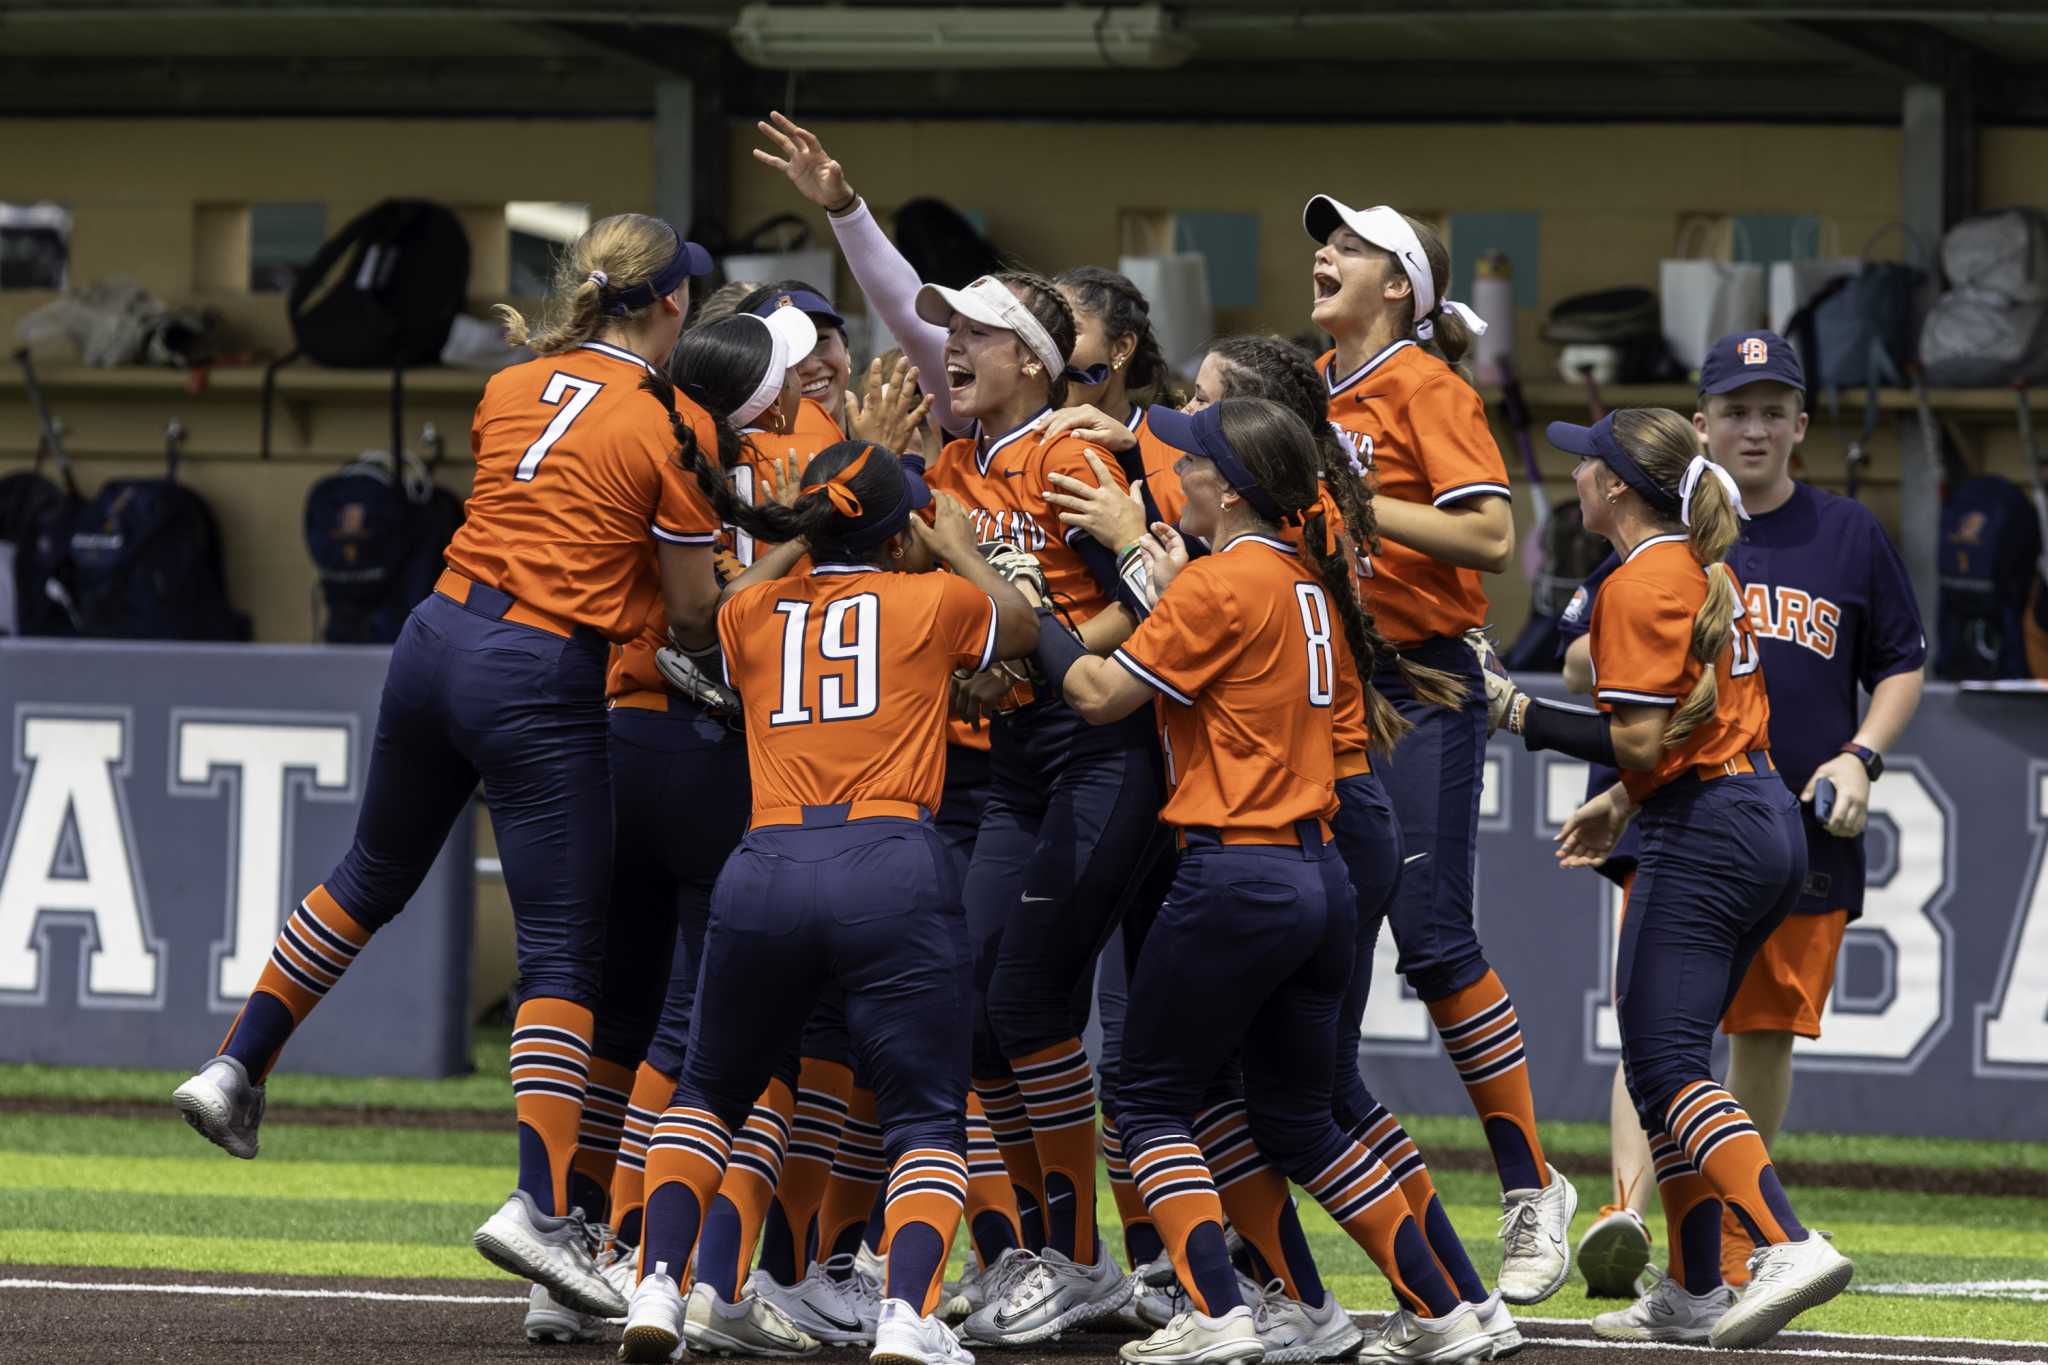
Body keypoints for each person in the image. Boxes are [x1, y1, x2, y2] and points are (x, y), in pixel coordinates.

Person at [173, 215, 720, 1321]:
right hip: (538, 665)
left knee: (371, 870)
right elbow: (695, 610)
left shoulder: (516, 384)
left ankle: (234, 1065)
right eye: (688, 298)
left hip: (436, 637)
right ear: (668, 305)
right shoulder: (672, 418)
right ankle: (538, 1207)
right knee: (565, 944)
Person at [752, 111, 1162, 1341]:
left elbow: (1162, 590)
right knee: (978, 1004)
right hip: (1010, 767)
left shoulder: (1066, 461)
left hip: (1098, 753)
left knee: (1028, 1004)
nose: (947, 345)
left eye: (975, 331)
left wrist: (1051, 644)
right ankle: (1049, 1249)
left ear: (1033, 360)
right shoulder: (967, 460)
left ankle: (1089, 1255)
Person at [1045, 336, 1513, 1360]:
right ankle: (1446, 1306)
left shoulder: (1227, 583)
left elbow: (1097, 693)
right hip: (1318, 863)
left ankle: (1220, 1313)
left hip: (1242, 862)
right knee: (1300, 1111)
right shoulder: (1302, 570)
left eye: (1195, 441)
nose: (1176, 461)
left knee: (1151, 1094)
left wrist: (1029, 605)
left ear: (1230, 478)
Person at [619, 437, 1040, 1365]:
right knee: (926, 1114)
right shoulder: (932, 598)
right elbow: (1021, 625)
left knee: (707, 1094)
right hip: (891, 858)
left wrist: (788, 538)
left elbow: (708, 619)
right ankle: (905, 1318)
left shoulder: (758, 611)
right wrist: (960, 546)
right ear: (901, 536)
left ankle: (655, 1286)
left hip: (766, 859)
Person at [1569, 333, 1925, 1321]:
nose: (1753, 427)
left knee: (1746, 1030)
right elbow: (1579, 662)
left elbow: (1900, 656)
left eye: (1772, 410)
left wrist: (1861, 754)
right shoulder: (1660, 542)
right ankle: (1641, 1224)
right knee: (1658, 1024)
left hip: (1777, 815)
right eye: (1733, 409)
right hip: (1674, 812)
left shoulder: (1845, 533)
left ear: (1800, 426)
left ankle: (1744, 1243)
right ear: (1698, 426)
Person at [1488, 406, 1857, 1351]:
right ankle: (1694, 1285)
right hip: (1753, 813)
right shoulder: (1696, 568)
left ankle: (1783, 1240)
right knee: (1672, 1065)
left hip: (1709, 829)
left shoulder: (1642, 575)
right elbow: (1671, 743)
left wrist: (1518, 712)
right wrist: (1619, 801)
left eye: (1588, 464)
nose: (1576, 475)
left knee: (1660, 1063)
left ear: (1616, 486)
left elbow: (1641, 740)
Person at [1301, 194, 1577, 1303]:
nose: (1323, 253)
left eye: (1351, 246)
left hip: (1415, 679)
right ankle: (1378, 1231)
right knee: (1310, 940)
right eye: (1325, 240)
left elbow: (1490, 535)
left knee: (1425, 932)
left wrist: (1351, 501)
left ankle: (1527, 1185)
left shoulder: (1426, 384)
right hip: (1317, 681)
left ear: (1400, 286)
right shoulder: (1309, 387)